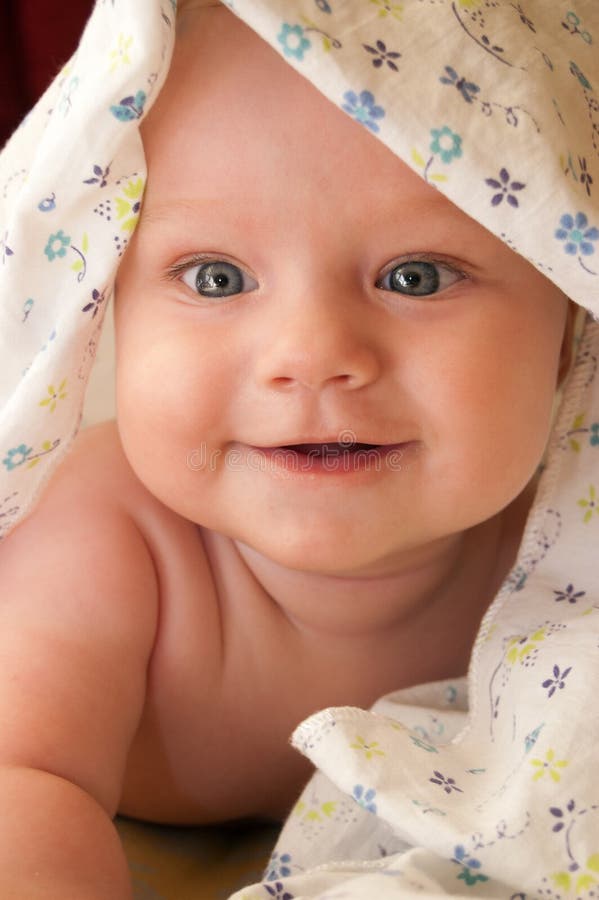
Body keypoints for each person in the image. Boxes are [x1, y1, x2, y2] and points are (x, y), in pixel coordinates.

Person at [0, 1, 596, 898]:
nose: (312, 354)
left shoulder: (564, 548)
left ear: (567, 327)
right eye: (217, 278)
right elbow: (18, 782)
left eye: (415, 277)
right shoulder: (103, 534)